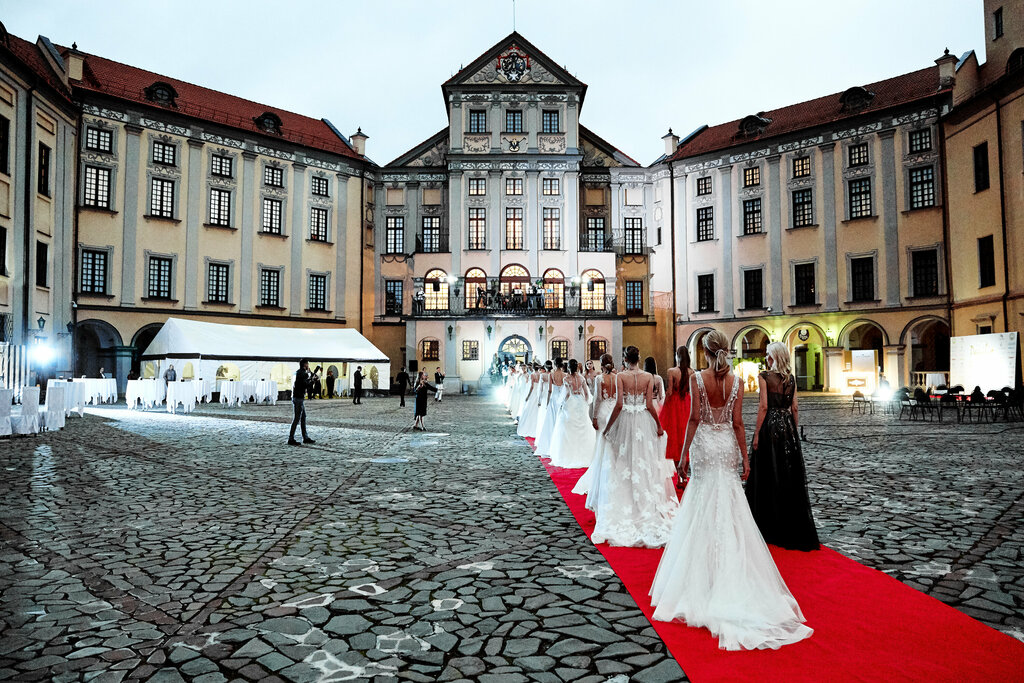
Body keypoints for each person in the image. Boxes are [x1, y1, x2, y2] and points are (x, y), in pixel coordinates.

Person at [649, 330, 811, 651]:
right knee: (730, 503)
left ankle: (701, 576)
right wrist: (746, 457)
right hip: (725, 446)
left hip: (706, 446)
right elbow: (738, 423)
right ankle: (730, 571)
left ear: (705, 352)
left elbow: (694, 418)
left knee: (700, 502)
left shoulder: (698, 379)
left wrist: (682, 455)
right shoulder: (736, 381)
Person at [590, 346, 676, 547]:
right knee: (643, 461)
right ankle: (645, 505)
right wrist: (658, 424)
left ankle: (627, 502)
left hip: (626, 420)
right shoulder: (648, 376)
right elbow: (648, 404)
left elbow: (619, 405)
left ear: (625, 359)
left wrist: (609, 427)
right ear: (638, 358)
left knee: (624, 461)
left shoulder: (621, 376)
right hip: (643, 420)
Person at [745, 342, 820, 551]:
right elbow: (794, 407)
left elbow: (763, 406)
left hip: (769, 427)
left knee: (768, 472)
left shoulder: (765, 377)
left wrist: (757, 433)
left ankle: (766, 522)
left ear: (774, 357)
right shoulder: (791, 379)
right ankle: (787, 523)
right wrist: (793, 431)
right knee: (787, 473)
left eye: (768, 355)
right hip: (786, 427)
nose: (766, 358)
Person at [573, 354, 617, 499]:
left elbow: (598, 399)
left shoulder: (600, 378)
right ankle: (614, 470)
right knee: (614, 441)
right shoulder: (618, 377)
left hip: (604, 411)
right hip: (614, 411)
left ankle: (601, 470)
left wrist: (595, 416)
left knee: (601, 441)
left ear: (601, 364)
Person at [548, 359, 597, 468]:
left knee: (567, 425)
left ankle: (568, 453)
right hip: (580, 401)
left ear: (568, 367)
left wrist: (561, 404)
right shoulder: (581, 378)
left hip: (571, 402)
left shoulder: (567, 379)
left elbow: (566, 394)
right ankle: (585, 454)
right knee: (583, 425)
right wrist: (585, 403)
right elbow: (587, 394)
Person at [659, 346, 694, 489]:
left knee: (674, 440)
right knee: (685, 438)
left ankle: (680, 478)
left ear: (677, 356)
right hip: (687, 404)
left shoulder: (672, 371)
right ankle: (684, 475)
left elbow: (669, 392)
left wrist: (663, 407)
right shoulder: (692, 372)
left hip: (674, 406)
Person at [535, 359, 568, 457]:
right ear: (562, 365)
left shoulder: (551, 374)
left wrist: (548, 402)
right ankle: (560, 445)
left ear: (554, 364)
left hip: (554, 398)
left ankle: (550, 444)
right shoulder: (565, 375)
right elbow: (566, 389)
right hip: (561, 398)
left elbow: (549, 390)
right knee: (561, 420)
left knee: (551, 421)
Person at [288, 359, 316, 446]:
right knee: (297, 418)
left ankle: (305, 437)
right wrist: (312, 380)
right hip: (298, 397)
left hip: (297, 396)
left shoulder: (298, 372)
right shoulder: (303, 373)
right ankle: (291, 438)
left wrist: (310, 379)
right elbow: (305, 385)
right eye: (307, 363)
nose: (308, 365)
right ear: (305, 364)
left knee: (303, 417)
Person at [516, 364, 543, 438]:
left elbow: (531, 387)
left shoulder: (532, 375)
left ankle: (529, 427)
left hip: (533, 392)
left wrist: (528, 396)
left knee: (530, 409)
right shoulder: (540, 374)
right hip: (538, 392)